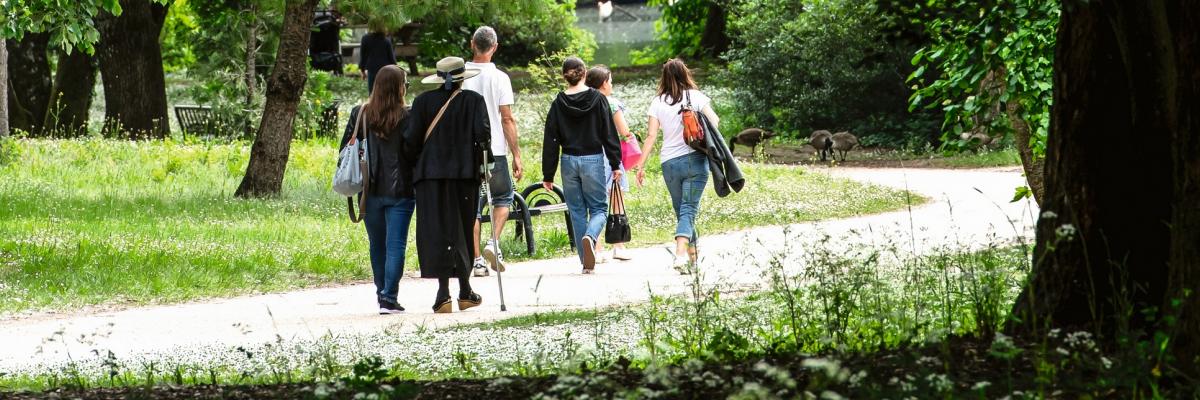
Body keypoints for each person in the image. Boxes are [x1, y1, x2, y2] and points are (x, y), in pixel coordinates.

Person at [404, 57, 490, 313]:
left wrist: (415, 164)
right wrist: (485, 167)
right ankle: (465, 290)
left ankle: (442, 294)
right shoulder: (474, 101)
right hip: (464, 176)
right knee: (462, 228)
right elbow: (483, 137)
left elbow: (410, 140)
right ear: (462, 78)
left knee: (437, 230)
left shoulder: (422, 102)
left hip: (429, 177)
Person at [338, 65, 414, 314]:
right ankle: (389, 297)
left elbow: (344, 149)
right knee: (396, 245)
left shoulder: (361, 113)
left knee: (377, 245)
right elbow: (414, 152)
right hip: (401, 190)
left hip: (368, 191)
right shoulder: (408, 116)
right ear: (399, 87)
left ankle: (382, 294)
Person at [632, 58, 719, 274]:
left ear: (664, 77)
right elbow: (714, 121)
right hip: (695, 160)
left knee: (683, 212)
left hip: (669, 163)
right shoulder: (695, 97)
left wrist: (640, 165)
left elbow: (651, 136)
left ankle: (693, 261)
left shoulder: (657, 102)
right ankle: (680, 256)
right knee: (688, 211)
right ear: (685, 74)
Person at [542, 57, 623, 274]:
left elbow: (551, 139)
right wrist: (616, 163)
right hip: (593, 159)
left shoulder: (558, 103)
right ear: (584, 73)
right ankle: (591, 236)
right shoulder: (598, 99)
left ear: (564, 76)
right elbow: (608, 132)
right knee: (598, 208)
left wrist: (548, 174)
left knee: (577, 211)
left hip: (568, 160)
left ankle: (585, 263)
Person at [461, 26, 523, 278]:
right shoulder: (500, 78)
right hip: (495, 149)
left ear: (471, 44)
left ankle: (476, 261)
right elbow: (507, 118)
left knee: (472, 207)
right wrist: (516, 154)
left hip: (466, 151)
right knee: (503, 198)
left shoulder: (459, 75)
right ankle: (493, 243)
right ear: (494, 47)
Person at [584, 65, 635, 262]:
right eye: (610, 81)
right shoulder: (612, 104)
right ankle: (618, 246)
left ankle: (596, 248)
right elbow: (624, 131)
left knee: (595, 204)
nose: (611, 84)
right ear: (604, 83)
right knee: (616, 199)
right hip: (610, 156)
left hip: (590, 155)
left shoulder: (584, 102)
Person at [358, 21, 396, 94]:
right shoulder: (386, 40)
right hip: (386, 70)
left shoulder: (365, 38)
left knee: (372, 93)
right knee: (385, 93)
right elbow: (391, 58)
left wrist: (362, 70)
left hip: (372, 69)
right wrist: (397, 70)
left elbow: (363, 56)